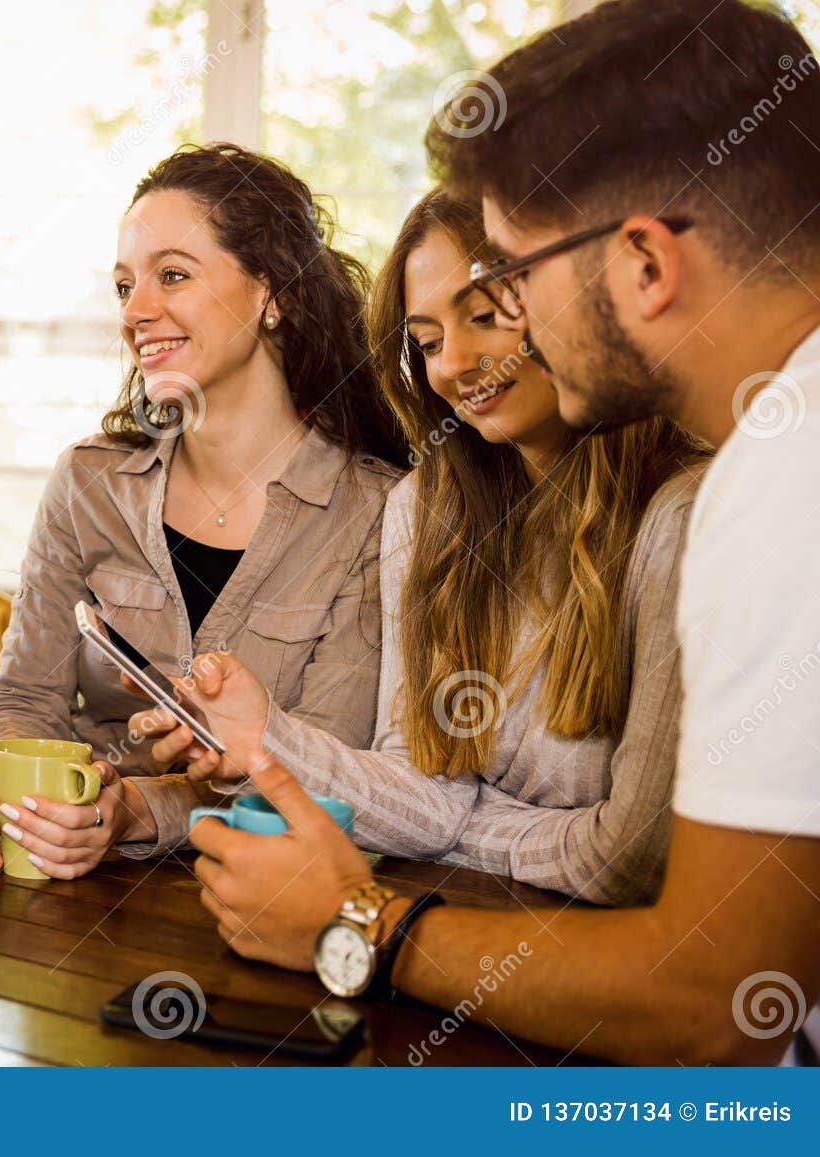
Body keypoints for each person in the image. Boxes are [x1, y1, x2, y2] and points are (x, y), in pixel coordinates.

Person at [189, 0, 820, 1065]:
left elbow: (716, 997)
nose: (500, 330)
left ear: (644, 265)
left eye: (515, 278)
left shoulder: (775, 484)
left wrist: (364, 923)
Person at [131, 190, 706, 905]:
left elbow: (625, 858)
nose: (455, 363)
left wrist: (462, 826)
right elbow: (425, 800)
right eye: (428, 342)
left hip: (609, 964)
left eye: (485, 316)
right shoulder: (426, 510)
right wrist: (263, 736)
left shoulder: (679, 516)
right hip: (457, 932)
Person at [0, 144, 408, 878]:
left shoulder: (376, 512)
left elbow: (332, 769)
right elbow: (24, 696)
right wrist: (31, 791)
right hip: (79, 886)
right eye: (123, 286)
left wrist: (141, 808)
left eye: (172, 274)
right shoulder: (88, 482)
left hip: (274, 892)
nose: (136, 312)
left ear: (276, 294)